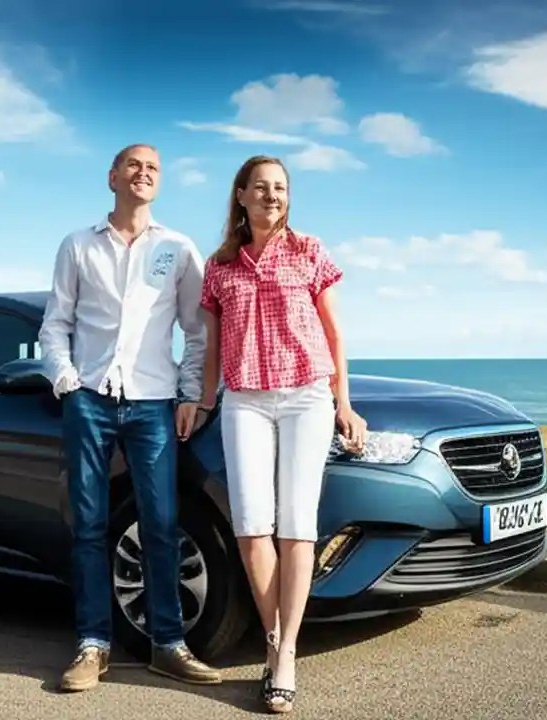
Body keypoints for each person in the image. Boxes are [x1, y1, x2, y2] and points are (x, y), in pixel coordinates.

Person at [38, 143, 221, 692]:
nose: (144, 173)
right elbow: (55, 324)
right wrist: (68, 383)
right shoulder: (77, 245)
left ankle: (169, 645)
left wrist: (191, 393)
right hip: (89, 400)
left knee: (161, 525)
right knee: (89, 527)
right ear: (112, 176)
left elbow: (197, 330)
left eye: (154, 168)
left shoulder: (178, 248)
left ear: (158, 183)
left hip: (153, 403)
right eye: (134, 165)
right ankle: (92, 646)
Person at [197, 155, 367, 713]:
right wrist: (199, 402)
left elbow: (334, 333)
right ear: (240, 195)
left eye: (281, 188)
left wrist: (345, 403)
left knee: (297, 525)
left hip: (306, 398)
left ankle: (284, 652)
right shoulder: (219, 266)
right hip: (244, 400)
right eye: (262, 188)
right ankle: (274, 639)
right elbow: (212, 348)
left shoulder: (310, 251)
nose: (273, 196)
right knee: (251, 528)